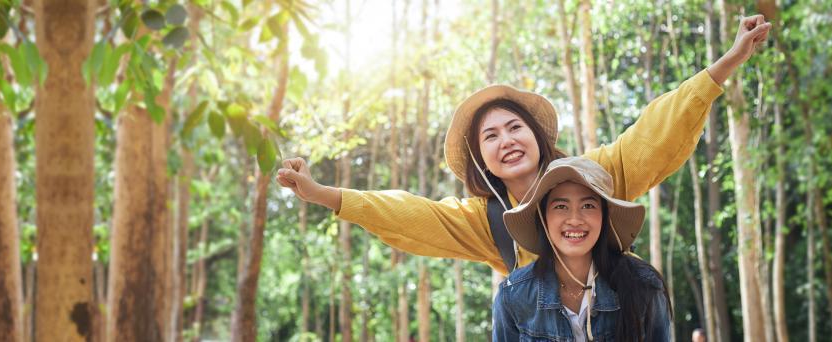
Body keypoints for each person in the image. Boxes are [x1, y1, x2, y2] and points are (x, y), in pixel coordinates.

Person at [276, 15, 772, 275]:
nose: (506, 141)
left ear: (536, 135)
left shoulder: (595, 173)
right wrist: (322, 194)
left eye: (514, 128)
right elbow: (408, 215)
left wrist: (725, 63)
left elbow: (654, 133)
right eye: (489, 137)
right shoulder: (487, 224)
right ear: (480, 160)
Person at [493, 157, 668, 341]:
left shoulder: (644, 286)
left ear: (604, 216)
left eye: (588, 206)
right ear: (544, 218)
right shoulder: (513, 296)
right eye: (561, 206)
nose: (575, 219)